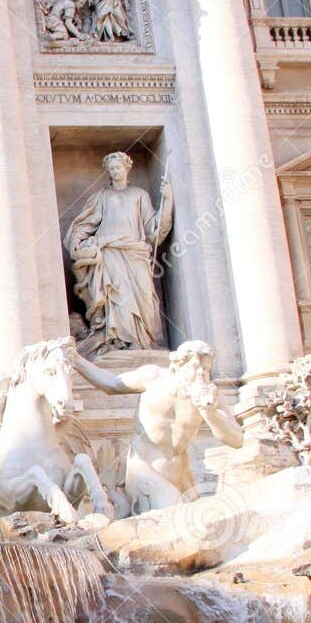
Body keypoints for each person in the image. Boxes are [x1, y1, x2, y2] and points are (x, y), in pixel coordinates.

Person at [74, 341, 244, 514]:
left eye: (206, 369)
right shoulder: (154, 377)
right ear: (178, 365)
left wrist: (209, 412)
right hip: (143, 470)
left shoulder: (210, 394)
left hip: (181, 476)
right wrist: (76, 359)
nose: (201, 374)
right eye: (195, 367)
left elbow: (236, 440)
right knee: (175, 512)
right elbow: (112, 384)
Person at [65, 150, 173, 353]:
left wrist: (167, 201)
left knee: (144, 295)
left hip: (135, 252)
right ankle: (120, 342)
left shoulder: (139, 195)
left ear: (127, 168)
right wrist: (77, 241)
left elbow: (153, 229)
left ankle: (144, 341)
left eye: (118, 167)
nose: (115, 171)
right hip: (110, 252)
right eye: (111, 168)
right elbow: (86, 223)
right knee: (118, 295)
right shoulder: (102, 197)